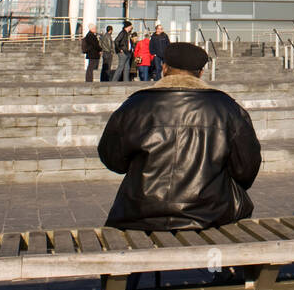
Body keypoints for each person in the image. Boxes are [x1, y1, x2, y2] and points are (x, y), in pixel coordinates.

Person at [98, 41, 260, 232]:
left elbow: (113, 160)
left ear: (164, 69)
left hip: (138, 216)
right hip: (212, 217)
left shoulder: (134, 106)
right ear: (200, 73)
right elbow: (246, 170)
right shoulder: (228, 108)